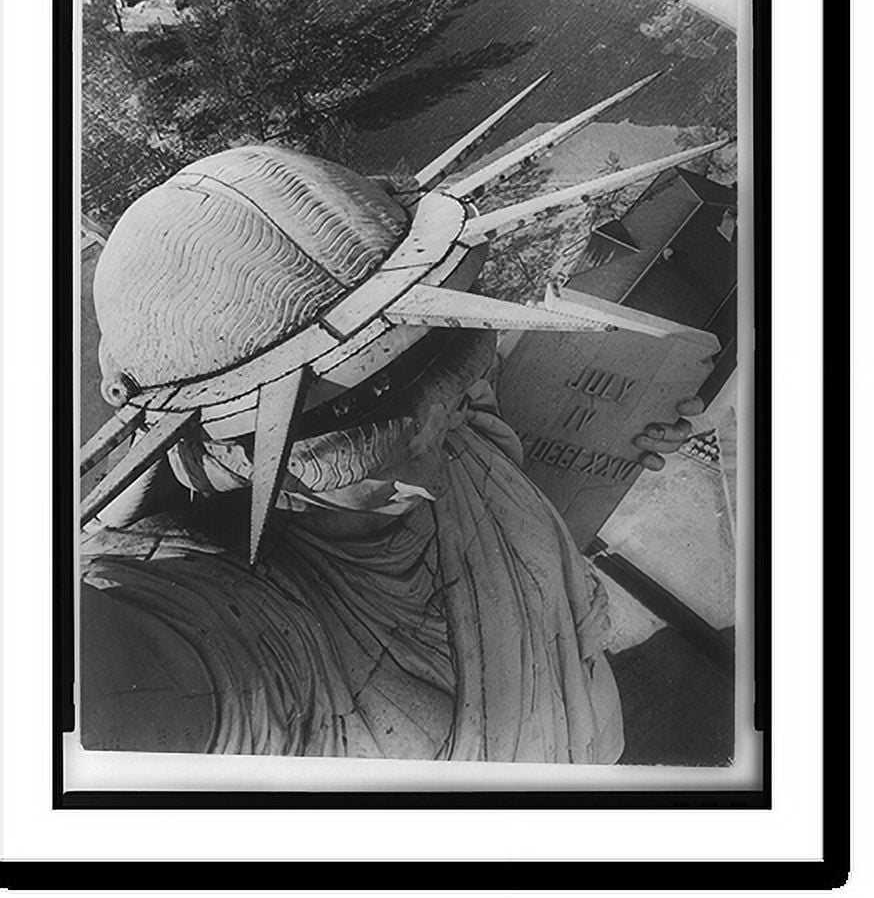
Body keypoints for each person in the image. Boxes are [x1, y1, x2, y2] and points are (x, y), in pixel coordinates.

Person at [79, 95, 714, 763]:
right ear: (240, 456)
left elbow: (487, 449)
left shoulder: (443, 404)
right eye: (372, 469)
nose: (435, 475)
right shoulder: (238, 631)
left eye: (441, 420)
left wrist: (609, 436)